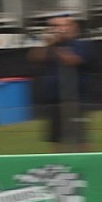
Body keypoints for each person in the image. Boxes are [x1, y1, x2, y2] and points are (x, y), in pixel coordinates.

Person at [29, 15, 93, 152]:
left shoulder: (81, 45)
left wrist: (57, 46)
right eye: (53, 27)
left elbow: (73, 61)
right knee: (56, 139)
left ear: (72, 27)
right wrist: (48, 44)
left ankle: (88, 167)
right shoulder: (49, 46)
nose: (57, 30)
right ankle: (57, 168)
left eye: (61, 26)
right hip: (54, 99)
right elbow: (35, 57)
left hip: (75, 99)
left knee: (80, 139)